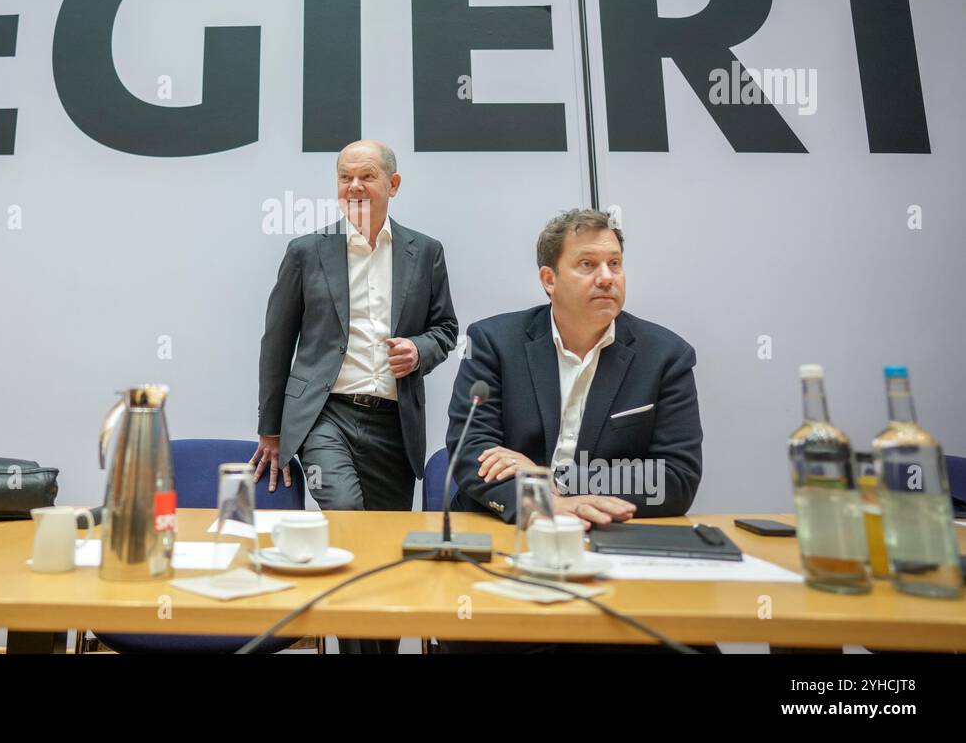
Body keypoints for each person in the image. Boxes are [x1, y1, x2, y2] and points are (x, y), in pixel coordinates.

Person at [440, 208, 706, 653]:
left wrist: (548, 483)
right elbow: (471, 453)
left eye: (614, 264)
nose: (606, 277)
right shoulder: (494, 342)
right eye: (587, 265)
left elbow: (676, 478)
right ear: (549, 278)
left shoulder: (666, 356)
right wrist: (549, 506)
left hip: (615, 553)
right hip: (513, 546)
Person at [252, 140, 457, 654]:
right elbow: (277, 341)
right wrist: (270, 429)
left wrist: (420, 349)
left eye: (366, 176)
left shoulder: (424, 251)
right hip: (325, 415)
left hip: (393, 421)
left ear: (393, 184)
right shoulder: (306, 250)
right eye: (345, 177)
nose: (354, 187)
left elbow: (447, 329)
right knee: (344, 518)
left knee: (385, 552)